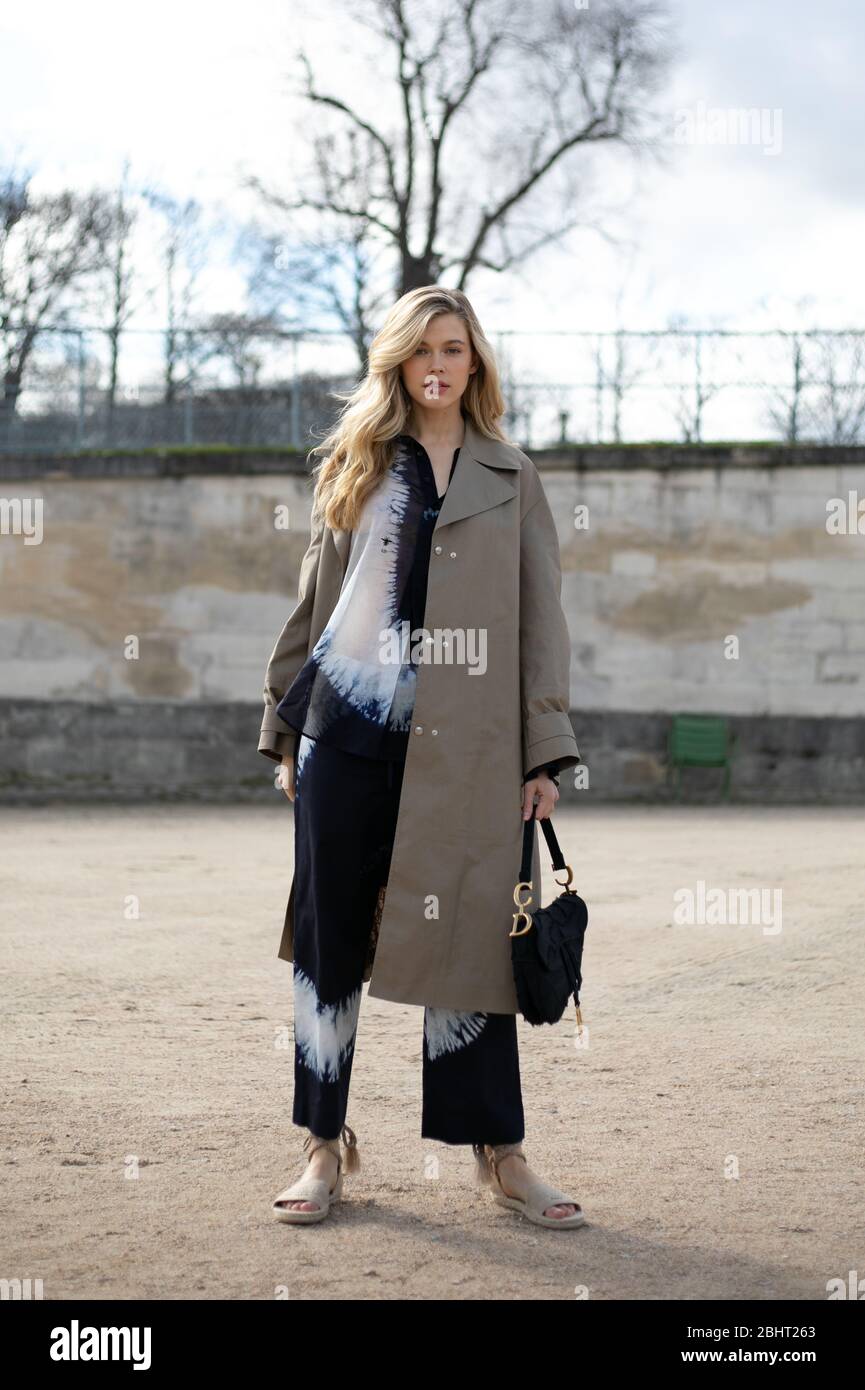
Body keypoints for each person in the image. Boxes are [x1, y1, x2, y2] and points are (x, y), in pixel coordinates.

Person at [259, 286, 585, 1229]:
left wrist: (543, 749)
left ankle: (503, 1156)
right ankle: (322, 1146)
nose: (437, 364)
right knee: (328, 942)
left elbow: (541, 624)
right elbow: (315, 600)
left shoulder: (512, 474)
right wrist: (286, 725)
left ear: (475, 361)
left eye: (454, 347)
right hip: (348, 734)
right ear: (396, 363)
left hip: (474, 751)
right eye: (419, 350)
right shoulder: (356, 465)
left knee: (477, 939)